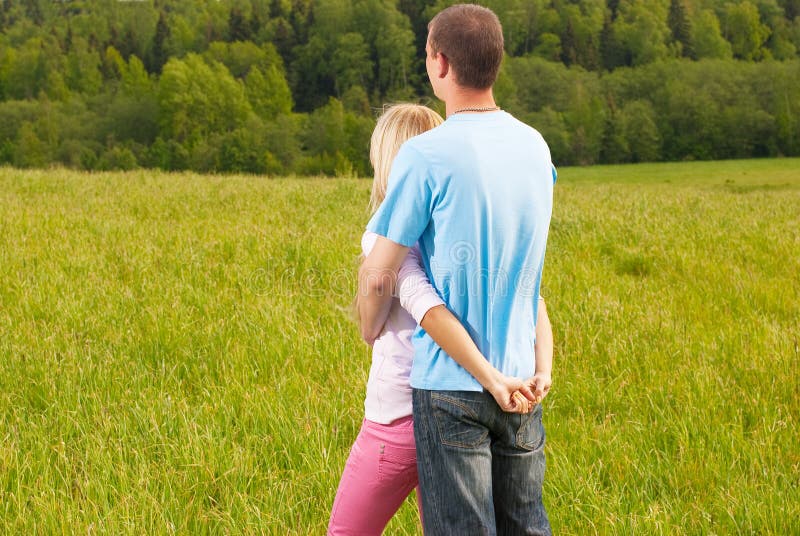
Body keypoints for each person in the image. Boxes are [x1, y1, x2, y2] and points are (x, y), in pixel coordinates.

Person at [357, 4, 556, 534]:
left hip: (449, 387)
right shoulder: (536, 148)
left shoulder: (426, 154)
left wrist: (369, 324)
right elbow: (531, 276)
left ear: (440, 63)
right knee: (525, 524)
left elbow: (379, 272)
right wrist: (541, 366)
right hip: (521, 378)